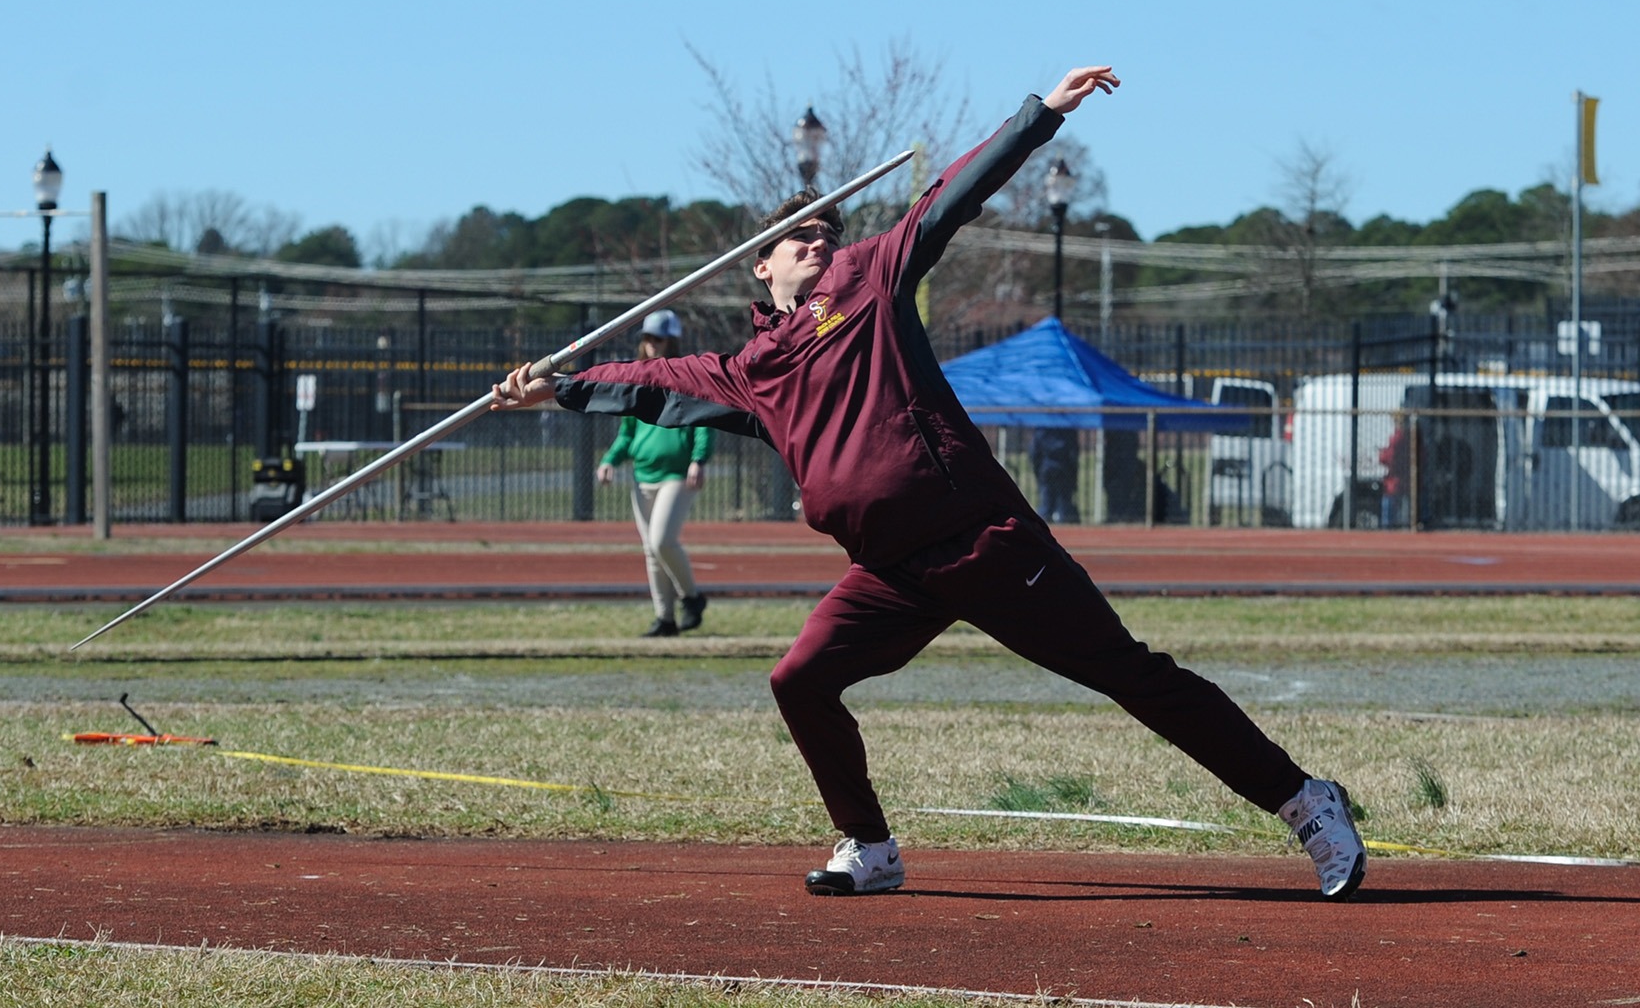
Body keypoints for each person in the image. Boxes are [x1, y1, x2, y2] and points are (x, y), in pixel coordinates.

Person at [494, 66, 1366, 902]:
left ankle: (1305, 800)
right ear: (761, 267)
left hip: (984, 541)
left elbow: (948, 197)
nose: (819, 242)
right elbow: (657, 383)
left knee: (1130, 674)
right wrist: (560, 386)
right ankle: (868, 846)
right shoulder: (749, 371)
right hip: (891, 572)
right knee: (799, 677)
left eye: (828, 232)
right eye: (800, 237)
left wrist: (1042, 113)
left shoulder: (868, 281)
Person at [598, 310, 712, 637]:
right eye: (647, 338)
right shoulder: (639, 379)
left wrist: (699, 459)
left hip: (677, 473)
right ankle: (665, 618)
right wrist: (610, 460)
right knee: (651, 549)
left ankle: (692, 597)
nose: (651, 344)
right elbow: (627, 432)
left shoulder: (687, 376)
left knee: (662, 540)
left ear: (672, 340)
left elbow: (704, 420)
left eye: (657, 338)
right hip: (642, 474)